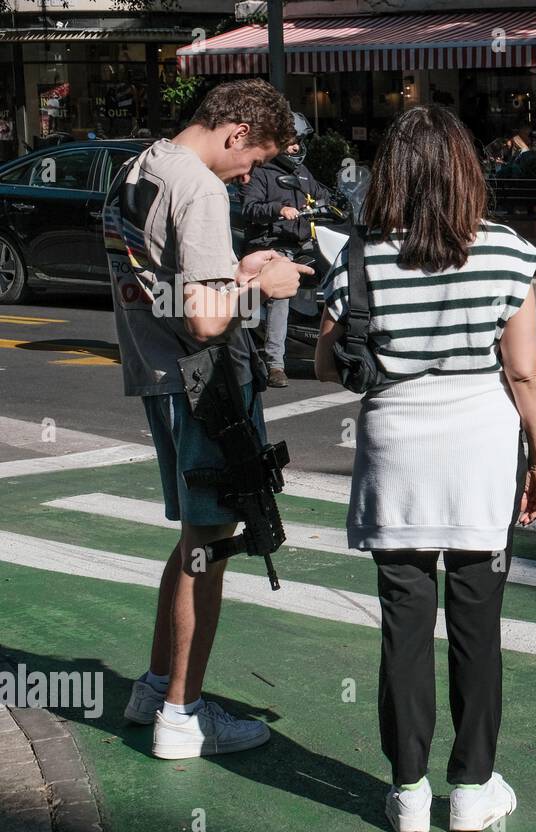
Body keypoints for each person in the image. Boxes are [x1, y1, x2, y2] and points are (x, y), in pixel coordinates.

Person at [314, 104, 536, 832]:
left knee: (403, 628)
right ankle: (473, 787)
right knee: (480, 627)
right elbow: (523, 372)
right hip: (481, 446)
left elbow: (327, 362)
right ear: (465, 172)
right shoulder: (507, 251)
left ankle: (408, 790)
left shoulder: (359, 255)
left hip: (397, 448)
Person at [104, 78, 311, 759]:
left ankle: (158, 684)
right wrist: (262, 281)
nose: (251, 172)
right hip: (204, 385)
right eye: (254, 157)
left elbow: (171, 280)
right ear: (234, 132)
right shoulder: (198, 188)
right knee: (210, 548)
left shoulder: (142, 167)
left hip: (161, 376)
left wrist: (230, 268)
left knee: (195, 536)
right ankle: (181, 715)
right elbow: (208, 316)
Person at [241, 111, 333, 387]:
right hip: (272, 247)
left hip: (304, 245)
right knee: (281, 294)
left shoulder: (301, 173)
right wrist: (278, 209)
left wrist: (340, 201)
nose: (295, 148)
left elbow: (322, 195)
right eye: (290, 142)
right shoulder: (261, 173)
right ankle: (275, 364)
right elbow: (249, 208)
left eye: (298, 142)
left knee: (339, 276)